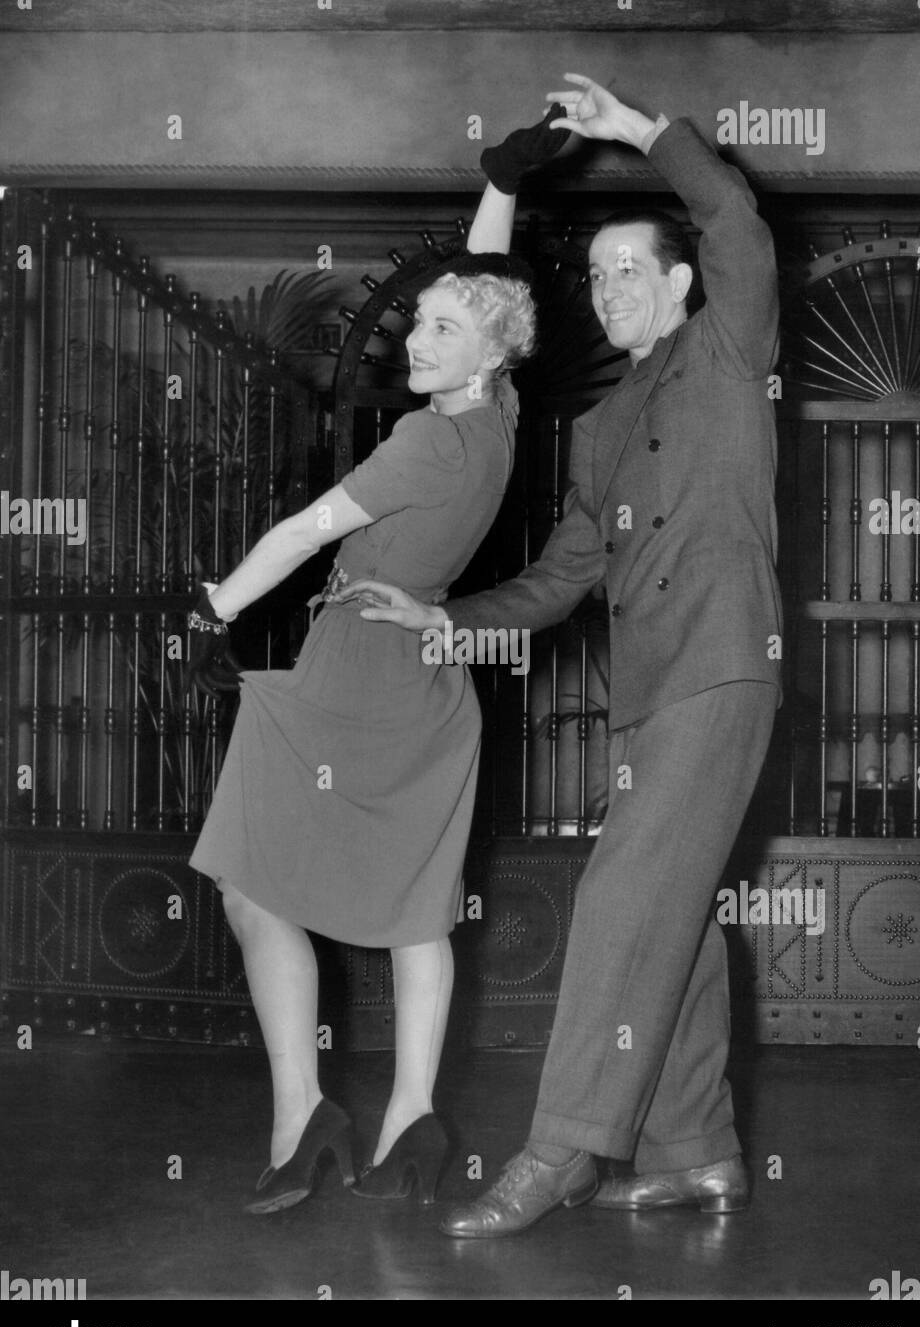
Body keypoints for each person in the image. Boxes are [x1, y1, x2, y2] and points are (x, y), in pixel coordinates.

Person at [335, 73, 784, 1237]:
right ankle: (700, 1153)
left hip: (722, 665)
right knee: (670, 914)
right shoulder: (595, 426)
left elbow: (734, 218)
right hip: (646, 691)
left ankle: (557, 1152)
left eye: (631, 268)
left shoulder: (730, 347)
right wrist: (449, 619)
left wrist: (642, 133)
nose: (609, 287)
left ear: (682, 284)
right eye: (595, 275)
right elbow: (563, 575)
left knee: (620, 894)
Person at [186, 111, 567, 1215]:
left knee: (253, 885)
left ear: (488, 352)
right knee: (415, 914)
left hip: (351, 675)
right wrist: (499, 183)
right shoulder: (496, 419)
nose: (417, 338)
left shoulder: (423, 439)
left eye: (443, 331)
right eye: (418, 323)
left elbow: (306, 532)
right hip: (430, 680)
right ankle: (412, 1118)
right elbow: (488, 280)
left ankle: (300, 1115)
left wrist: (216, 605)